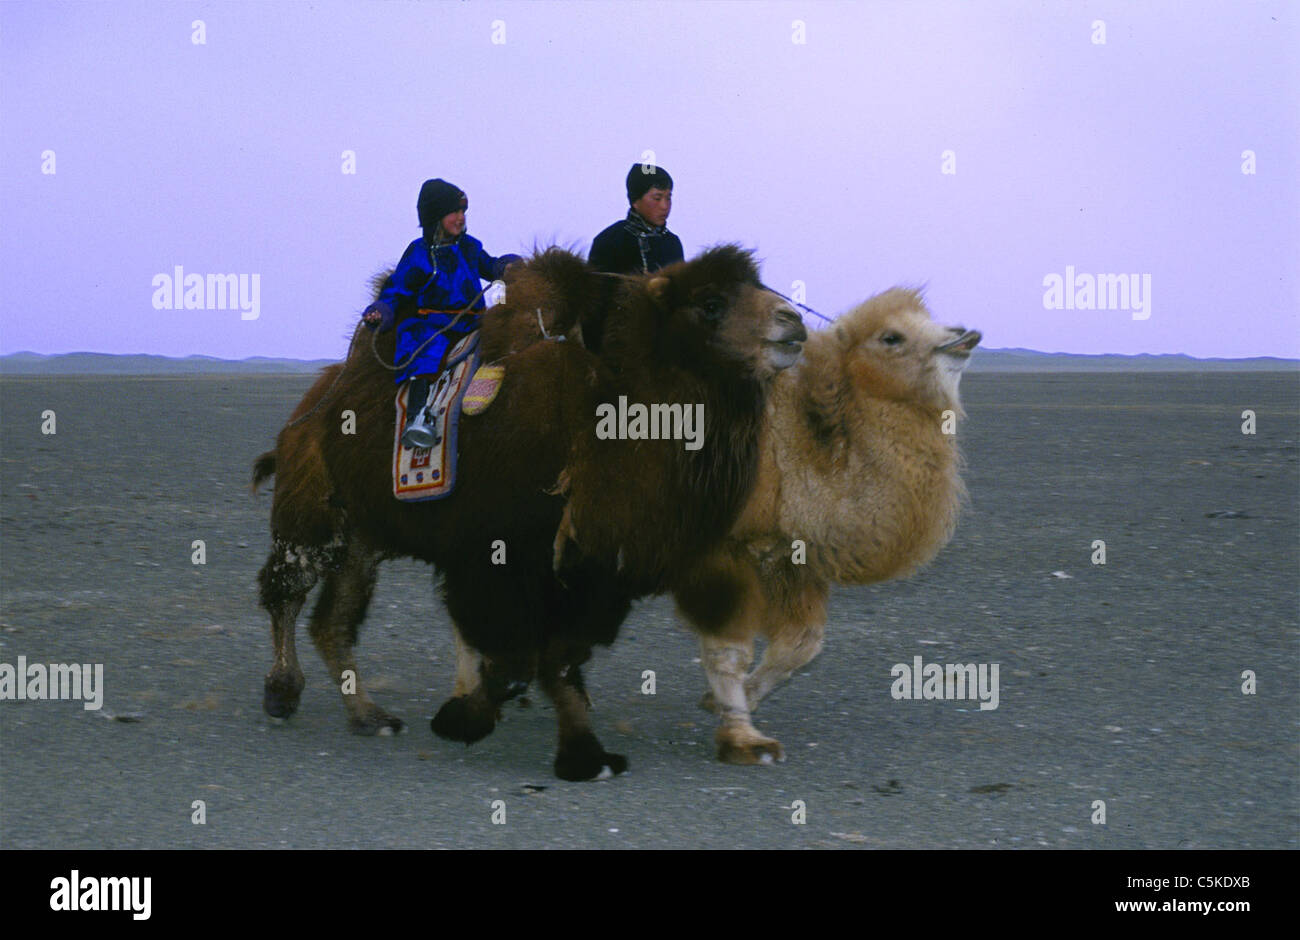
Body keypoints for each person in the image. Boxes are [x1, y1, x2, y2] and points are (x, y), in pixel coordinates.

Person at [363, 178, 521, 448]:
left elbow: (489, 265)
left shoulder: (469, 247)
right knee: (424, 351)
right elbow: (396, 289)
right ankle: (418, 417)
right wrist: (381, 311)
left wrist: (505, 268)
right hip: (433, 324)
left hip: (472, 321)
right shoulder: (418, 253)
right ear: (434, 217)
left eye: (463, 211)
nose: (460, 218)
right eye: (453, 212)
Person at [588, 163, 684, 276]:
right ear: (635, 201)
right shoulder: (610, 241)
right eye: (657, 198)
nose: (665, 206)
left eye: (668, 198)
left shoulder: (672, 243)